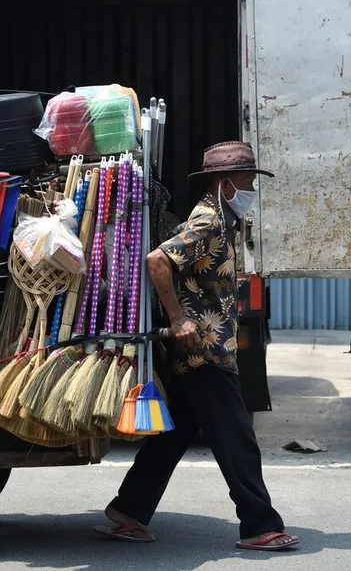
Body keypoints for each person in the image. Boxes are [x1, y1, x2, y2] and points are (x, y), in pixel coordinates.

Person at [96, 141, 298, 551]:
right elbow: (158, 261)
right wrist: (178, 318)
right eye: (245, 183)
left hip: (203, 351)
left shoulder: (222, 222)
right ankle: (261, 524)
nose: (250, 192)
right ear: (224, 185)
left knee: (173, 435)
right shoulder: (207, 221)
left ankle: (129, 510)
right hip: (204, 350)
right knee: (237, 439)